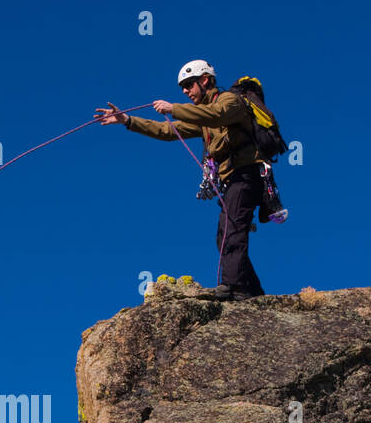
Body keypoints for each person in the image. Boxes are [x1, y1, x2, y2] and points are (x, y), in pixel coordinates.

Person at [95, 60, 265, 300]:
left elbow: (217, 115)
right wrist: (127, 121)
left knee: (232, 230)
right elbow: (167, 131)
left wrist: (173, 108)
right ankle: (252, 292)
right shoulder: (201, 116)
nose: (185, 91)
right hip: (232, 180)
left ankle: (235, 288)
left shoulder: (230, 101)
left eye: (188, 85)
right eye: (182, 87)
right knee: (225, 234)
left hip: (247, 175)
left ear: (205, 80)